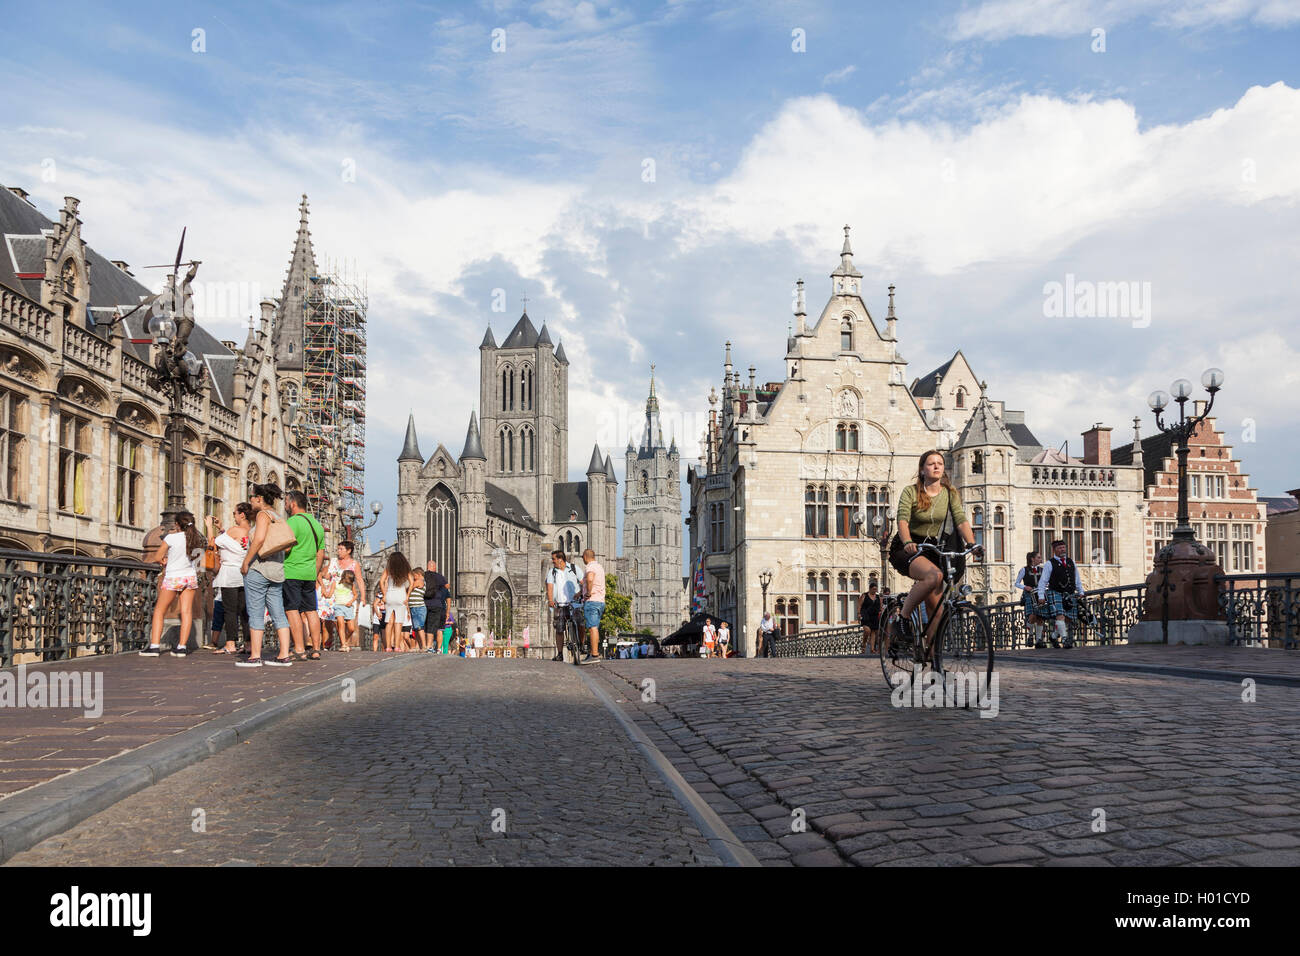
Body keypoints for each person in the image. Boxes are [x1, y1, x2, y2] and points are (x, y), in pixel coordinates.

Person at [887, 450, 982, 648]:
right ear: (922, 470)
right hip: (908, 547)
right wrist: (907, 542)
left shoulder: (949, 493)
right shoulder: (911, 492)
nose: (937, 466)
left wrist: (972, 544)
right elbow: (902, 520)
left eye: (940, 463)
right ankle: (902, 618)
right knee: (934, 576)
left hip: (934, 549)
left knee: (936, 612)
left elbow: (961, 520)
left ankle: (932, 664)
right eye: (931, 464)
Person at [237, 483, 293, 667]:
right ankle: (284, 655)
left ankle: (255, 656)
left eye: (252, 497)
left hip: (259, 570)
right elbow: (288, 545)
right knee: (278, 613)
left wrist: (246, 561)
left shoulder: (263, 515)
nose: (250, 501)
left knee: (255, 612)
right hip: (276, 571)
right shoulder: (278, 517)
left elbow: (259, 539)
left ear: (259, 499)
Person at [140, 510, 205, 657]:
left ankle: (155, 647)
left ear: (177, 524)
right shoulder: (196, 539)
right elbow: (198, 562)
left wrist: (164, 561)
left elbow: (157, 556)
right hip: (189, 577)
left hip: (174, 576)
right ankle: (181, 647)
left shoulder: (171, 538)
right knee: (186, 611)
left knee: (159, 611)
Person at [283, 490, 327, 661]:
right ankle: (316, 649)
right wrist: (314, 573)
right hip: (309, 573)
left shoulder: (292, 522)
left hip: (292, 571)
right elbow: (320, 554)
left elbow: (286, 547)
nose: (285, 505)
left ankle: (299, 648)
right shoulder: (316, 525)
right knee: (311, 610)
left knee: (292, 609)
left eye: (286, 502)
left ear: (293, 503)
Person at [206, 506, 252, 656]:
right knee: (245, 611)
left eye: (235, 514)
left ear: (242, 515)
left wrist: (209, 527)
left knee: (230, 610)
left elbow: (213, 544)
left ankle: (230, 643)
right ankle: (248, 643)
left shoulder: (235, 530)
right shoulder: (252, 532)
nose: (234, 517)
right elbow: (235, 545)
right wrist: (221, 529)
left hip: (230, 573)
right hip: (245, 573)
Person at [1036, 539, 1082, 649]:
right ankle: (1065, 639)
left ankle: (1053, 636)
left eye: (1064, 547)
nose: (1063, 550)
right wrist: (1041, 596)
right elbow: (1043, 581)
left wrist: (1081, 591)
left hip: (1070, 593)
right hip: (1055, 592)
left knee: (1068, 618)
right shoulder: (1049, 563)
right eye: (1060, 548)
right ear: (1054, 550)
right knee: (1060, 615)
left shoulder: (1071, 562)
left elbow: (1077, 578)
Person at [545, 550, 583, 662]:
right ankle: (560, 653)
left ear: (560, 559)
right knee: (559, 629)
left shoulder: (574, 568)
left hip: (574, 603)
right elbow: (550, 586)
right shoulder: (552, 572)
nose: (552, 561)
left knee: (581, 623)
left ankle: (581, 645)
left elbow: (583, 582)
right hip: (560, 604)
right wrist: (551, 600)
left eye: (554, 559)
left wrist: (580, 593)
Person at [377, 552, 412, 652]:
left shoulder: (389, 569)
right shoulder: (406, 569)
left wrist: (384, 594)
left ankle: (388, 646)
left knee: (389, 621)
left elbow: (381, 581)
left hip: (390, 595)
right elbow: (412, 582)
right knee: (398, 622)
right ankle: (396, 646)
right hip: (401, 595)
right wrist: (407, 595)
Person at [1015, 551, 1047, 649]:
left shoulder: (1042, 570)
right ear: (1032, 559)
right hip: (1029, 594)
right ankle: (1030, 636)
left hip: (1041, 594)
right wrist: (1025, 587)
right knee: (1032, 616)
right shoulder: (1024, 570)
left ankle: (1038, 640)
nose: (1040, 560)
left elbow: (1047, 581)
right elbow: (1016, 583)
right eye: (1038, 557)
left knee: (1040, 617)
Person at [579, 549, 606, 664]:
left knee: (592, 627)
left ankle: (594, 654)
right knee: (594, 627)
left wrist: (588, 592)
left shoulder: (590, 567)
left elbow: (590, 579)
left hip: (592, 601)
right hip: (600, 601)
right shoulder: (599, 567)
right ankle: (592, 652)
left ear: (585, 556)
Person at [423, 560, 449, 654]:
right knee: (432, 626)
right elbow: (447, 586)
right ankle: (429, 647)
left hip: (424, 603)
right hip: (436, 604)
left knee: (424, 626)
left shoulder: (423, 575)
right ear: (434, 567)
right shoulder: (439, 577)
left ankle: (423, 645)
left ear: (427, 566)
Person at [332, 569, 357, 651]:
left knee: (351, 628)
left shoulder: (351, 585)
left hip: (348, 607)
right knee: (341, 624)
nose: (350, 582)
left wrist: (351, 601)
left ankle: (345, 640)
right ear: (344, 577)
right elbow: (329, 593)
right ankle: (343, 645)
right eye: (349, 580)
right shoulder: (336, 583)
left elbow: (355, 595)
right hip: (338, 606)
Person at [860, 582, 882, 655]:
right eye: (873, 589)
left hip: (875, 616)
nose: (874, 591)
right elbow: (859, 605)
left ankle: (872, 649)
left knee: (873, 633)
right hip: (866, 615)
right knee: (867, 630)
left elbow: (881, 607)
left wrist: (881, 613)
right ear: (870, 589)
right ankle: (864, 643)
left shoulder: (878, 597)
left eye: (876, 589)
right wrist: (858, 614)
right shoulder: (864, 595)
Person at [409, 568, 427, 651]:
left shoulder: (419, 581)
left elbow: (410, 587)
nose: (413, 577)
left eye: (414, 575)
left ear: (419, 575)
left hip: (419, 607)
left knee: (419, 627)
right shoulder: (419, 581)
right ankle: (419, 646)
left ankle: (424, 645)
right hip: (414, 607)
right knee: (416, 628)